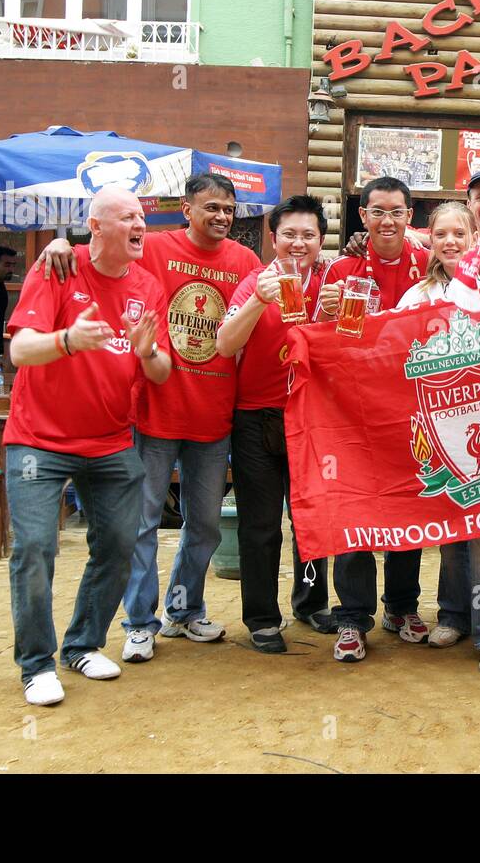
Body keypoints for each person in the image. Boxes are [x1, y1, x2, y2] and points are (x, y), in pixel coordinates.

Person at [36, 173, 262, 663]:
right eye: (211, 207)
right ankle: (140, 622)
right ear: (187, 209)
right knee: (142, 525)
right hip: (154, 411)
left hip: (214, 414)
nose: (221, 216)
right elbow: (103, 254)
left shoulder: (246, 261)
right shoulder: (154, 247)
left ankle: (185, 609)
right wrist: (59, 241)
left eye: (229, 209)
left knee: (203, 525)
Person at [5, 186, 171, 706]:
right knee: (36, 548)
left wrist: (146, 353)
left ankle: (82, 644)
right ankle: (36, 665)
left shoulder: (148, 286)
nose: (139, 224)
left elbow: (162, 372)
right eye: (126, 217)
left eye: (142, 216)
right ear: (96, 227)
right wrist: (68, 341)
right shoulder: (58, 266)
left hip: (110, 442)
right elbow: (18, 351)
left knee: (121, 545)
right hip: (39, 439)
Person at [397, 202, 480, 673]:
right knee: (449, 525)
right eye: (441, 234)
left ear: (475, 237)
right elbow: (391, 351)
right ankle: (455, 613)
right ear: (428, 239)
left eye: (459, 233)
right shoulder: (417, 296)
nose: (450, 241)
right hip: (439, 430)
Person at [317, 177, 432, 661]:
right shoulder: (341, 268)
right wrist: (322, 315)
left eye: (398, 212)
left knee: (407, 508)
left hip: (411, 411)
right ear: (362, 216)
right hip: (354, 412)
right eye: (378, 211)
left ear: (410, 216)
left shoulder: (428, 264)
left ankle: (401, 606)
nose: (388, 221)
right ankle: (351, 617)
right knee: (356, 512)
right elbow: (323, 342)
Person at [215, 195, 335, 655]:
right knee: (260, 525)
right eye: (289, 234)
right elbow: (226, 345)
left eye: (308, 235)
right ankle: (263, 617)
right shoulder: (254, 282)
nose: (298, 243)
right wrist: (257, 301)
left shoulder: (333, 281)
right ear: (274, 239)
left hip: (313, 419)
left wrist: (339, 310)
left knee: (311, 519)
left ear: (321, 240)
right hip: (255, 418)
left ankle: (311, 601)